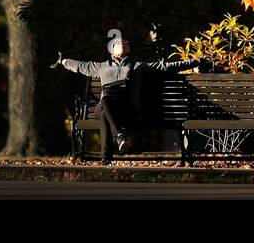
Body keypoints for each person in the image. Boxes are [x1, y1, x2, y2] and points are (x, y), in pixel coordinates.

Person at [53, 36, 202, 163]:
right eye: (119, 43)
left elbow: (165, 66)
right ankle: (118, 136)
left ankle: (106, 159)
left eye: (125, 43)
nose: (122, 43)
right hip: (105, 105)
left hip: (125, 110)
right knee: (105, 101)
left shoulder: (137, 66)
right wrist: (63, 62)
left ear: (128, 50)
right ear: (112, 51)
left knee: (105, 111)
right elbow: (80, 66)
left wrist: (195, 62)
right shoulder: (102, 67)